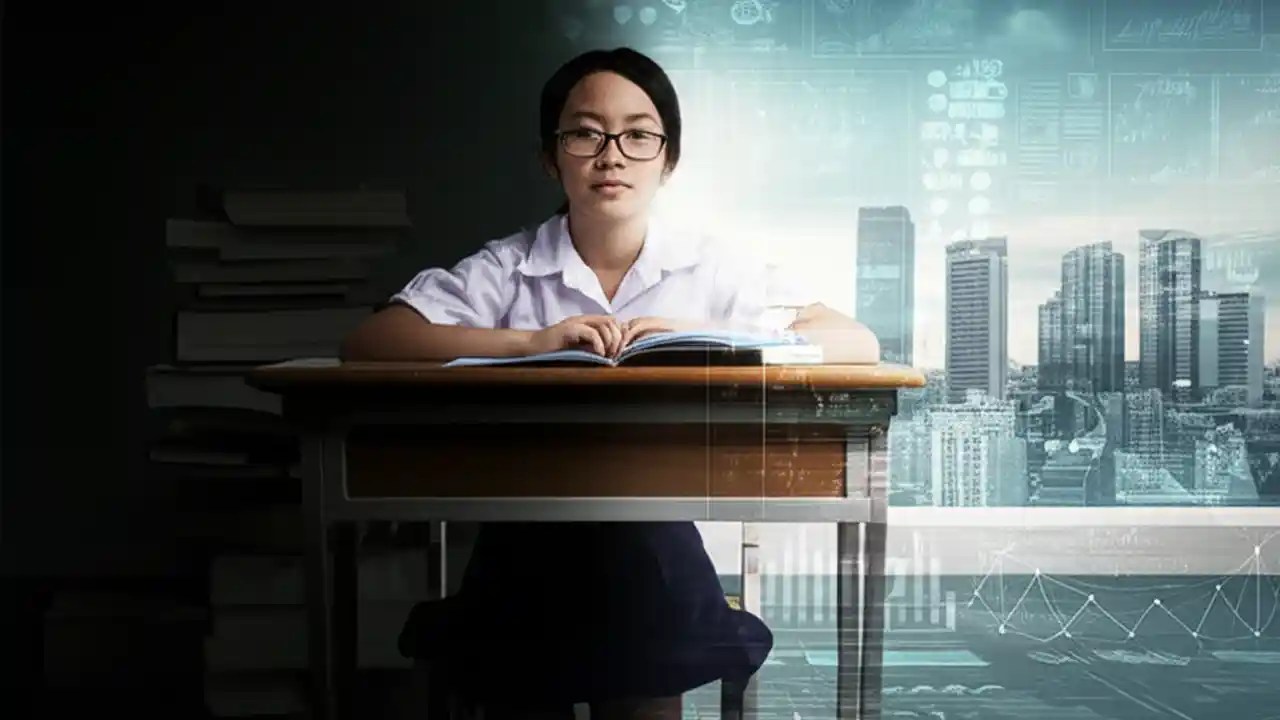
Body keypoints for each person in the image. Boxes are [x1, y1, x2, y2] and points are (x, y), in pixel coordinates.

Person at [341, 47, 880, 720]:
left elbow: (855, 342)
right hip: (528, 547)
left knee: (635, 546)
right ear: (550, 156)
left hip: (651, 555)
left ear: (668, 158)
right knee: (575, 554)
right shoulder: (511, 267)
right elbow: (375, 341)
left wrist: (692, 335)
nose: (611, 154)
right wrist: (531, 341)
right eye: (584, 133)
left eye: (637, 134)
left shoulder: (711, 270)